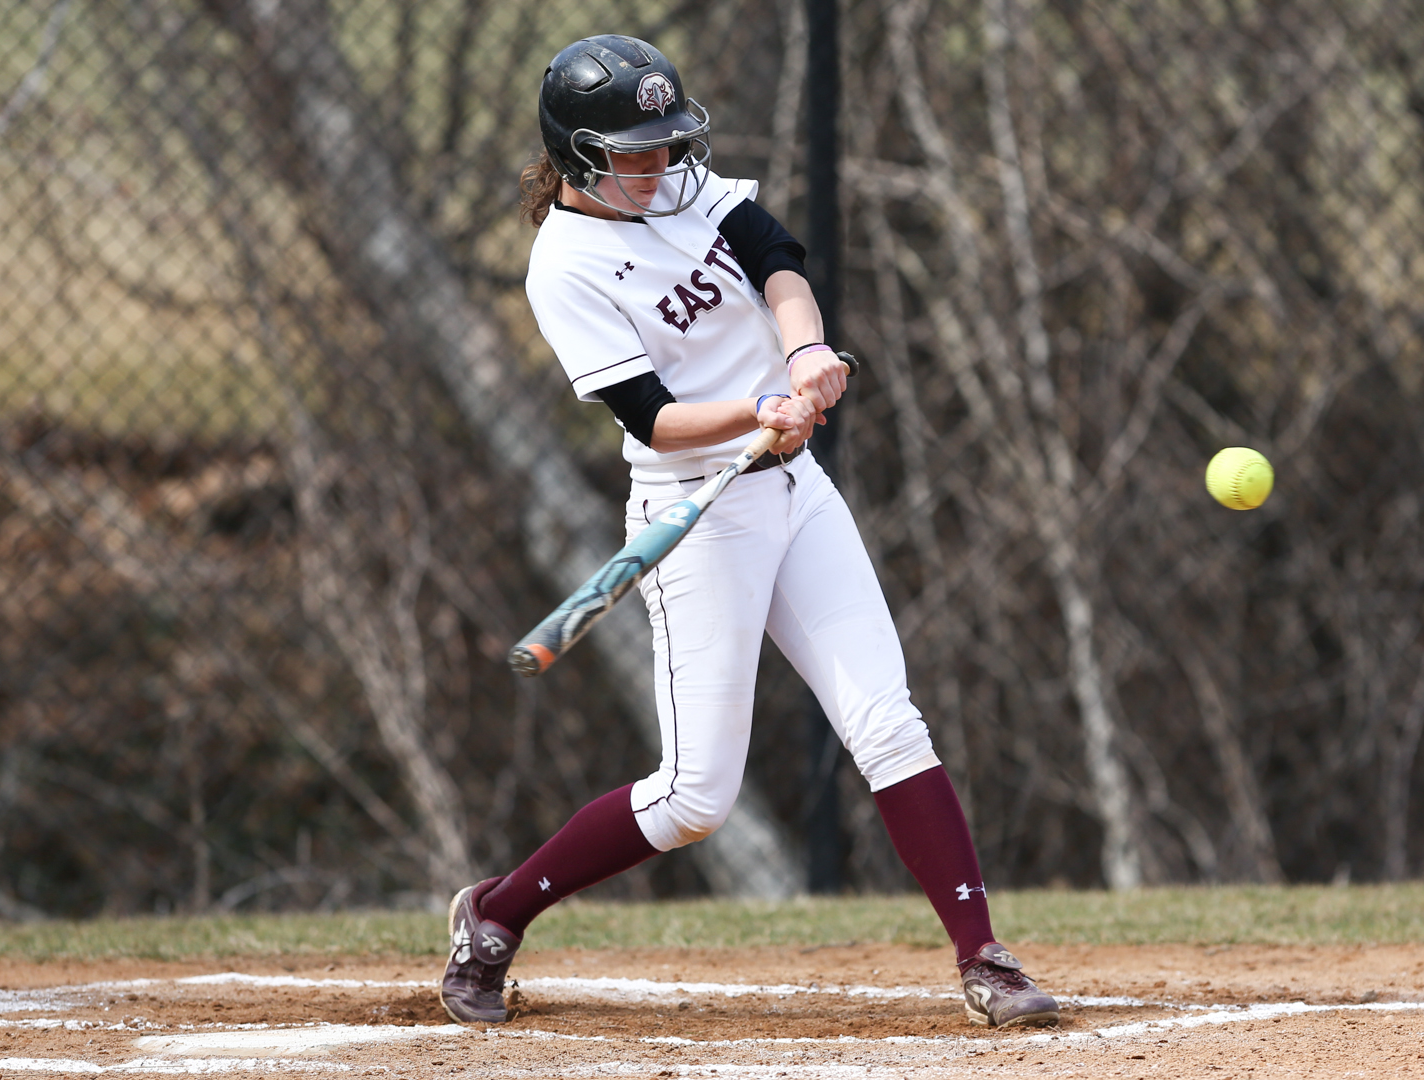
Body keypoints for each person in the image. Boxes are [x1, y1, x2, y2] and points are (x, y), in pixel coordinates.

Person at [440, 34, 1059, 1031]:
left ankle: (983, 958)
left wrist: (804, 345)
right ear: (579, 153)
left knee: (887, 720)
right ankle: (497, 912)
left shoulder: (680, 190)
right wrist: (755, 409)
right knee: (694, 800)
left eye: (663, 141)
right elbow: (650, 418)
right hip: (697, 518)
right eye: (632, 150)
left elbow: (775, 260)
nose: (657, 164)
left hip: (795, 491)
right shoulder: (565, 267)